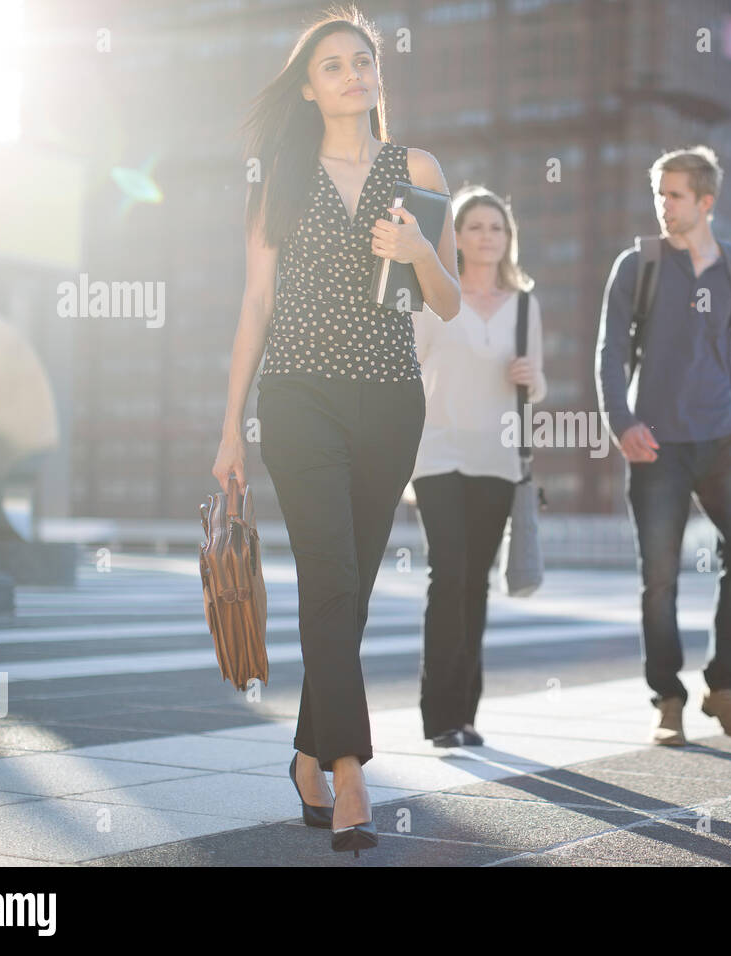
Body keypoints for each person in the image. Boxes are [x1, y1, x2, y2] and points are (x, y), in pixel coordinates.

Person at [213, 6, 460, 856]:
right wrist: (229, 433)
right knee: (327, 572)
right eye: (333, 66)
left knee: (348, 589)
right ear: (310, 89)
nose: (354, 73)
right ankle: (350, 769)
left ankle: (306, 753)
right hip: (297, 396)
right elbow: (254, 306)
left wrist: (418, 244)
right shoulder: (277, 173)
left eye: (364, 60)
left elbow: (450, 300)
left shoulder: (415, 166)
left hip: (392, 398)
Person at [595, 145, 731, 747]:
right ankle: (668, 699)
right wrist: (621, 421)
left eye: (675, 195)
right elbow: (609, 353)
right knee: (659, 577)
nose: (664, 206)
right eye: (659, 194)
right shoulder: (639, 264)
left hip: (723, 441)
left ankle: (722, 685)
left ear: (706, 201)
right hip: (656, 445)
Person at [408, 186, 547, 749]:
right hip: (437, 453)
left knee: (477, 585)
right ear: (456, 238)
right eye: (475, 227)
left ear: (508, 238)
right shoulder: (432, 295)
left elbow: (539, 386)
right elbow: (407, 366)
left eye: (497, 227)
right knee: (449, 575)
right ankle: (439, 717)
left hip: (497, 459)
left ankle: (465, 714)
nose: (487, 235)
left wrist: (530, 380)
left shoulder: (525, 305)